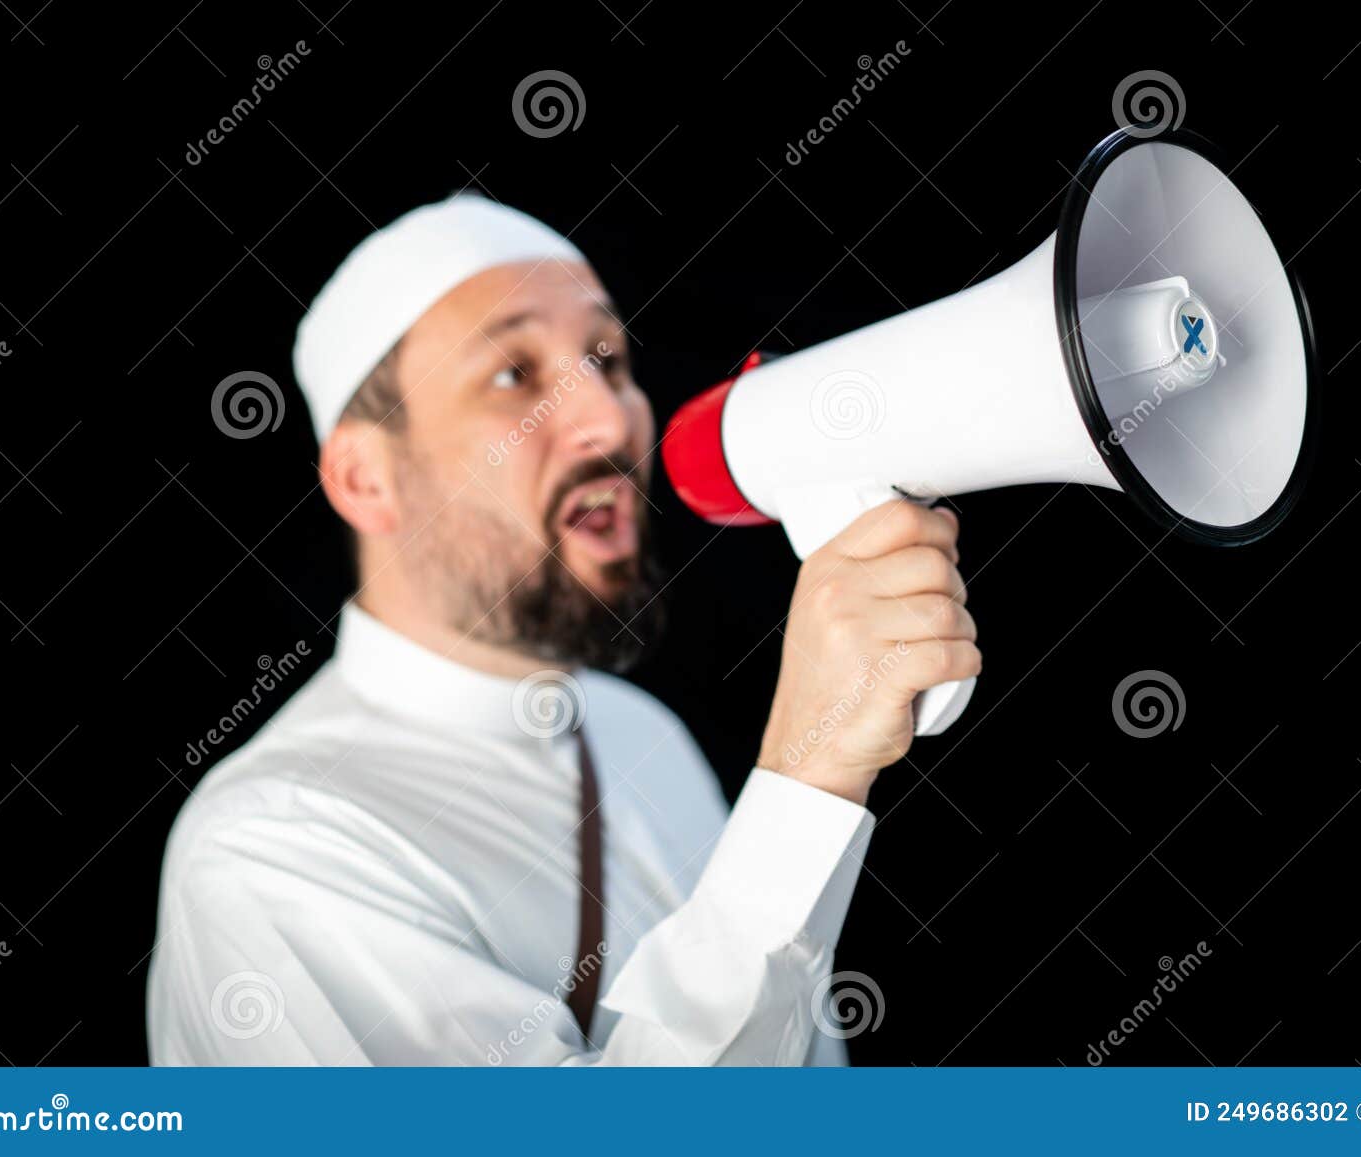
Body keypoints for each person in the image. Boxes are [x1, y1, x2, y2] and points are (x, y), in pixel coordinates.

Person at [145, 194, 980, 1064]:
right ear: (366, 480)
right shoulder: (274, 852)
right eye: (513, 375)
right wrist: (809, 770)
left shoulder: (638, 733)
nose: (609, 418)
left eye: (608, 359)